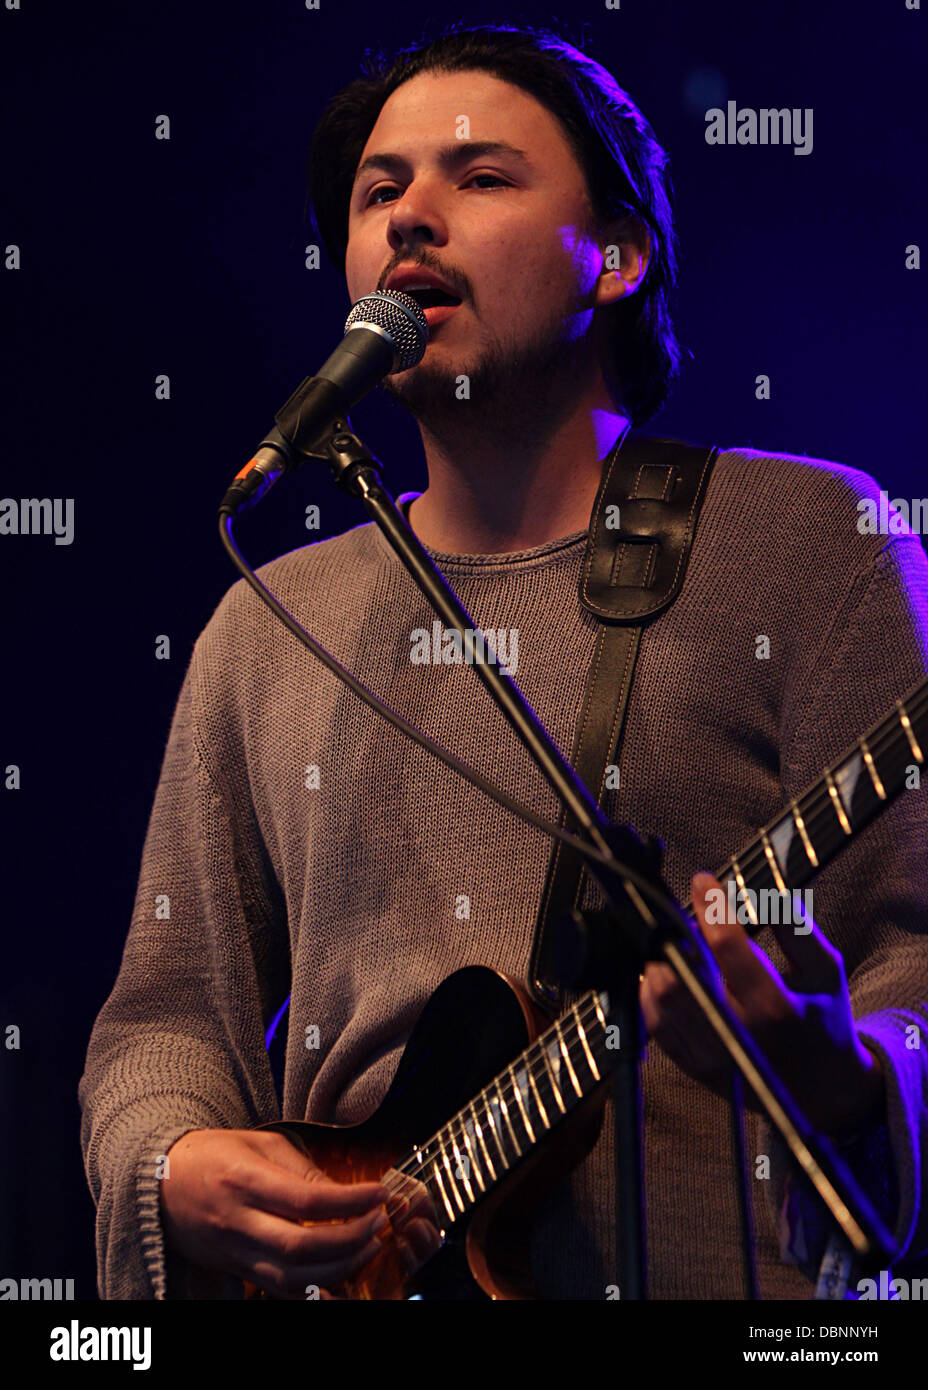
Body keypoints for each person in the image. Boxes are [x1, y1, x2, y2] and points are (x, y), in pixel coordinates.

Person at [79, 24, 928, 1300]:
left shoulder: (809, 541)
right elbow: (168, 1014)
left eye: (479, 178)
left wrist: (841, 1067)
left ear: (619, 259)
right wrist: (171, 1162)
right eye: (380, 192)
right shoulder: (267, 621)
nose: (412, 215)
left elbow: (915, 961)